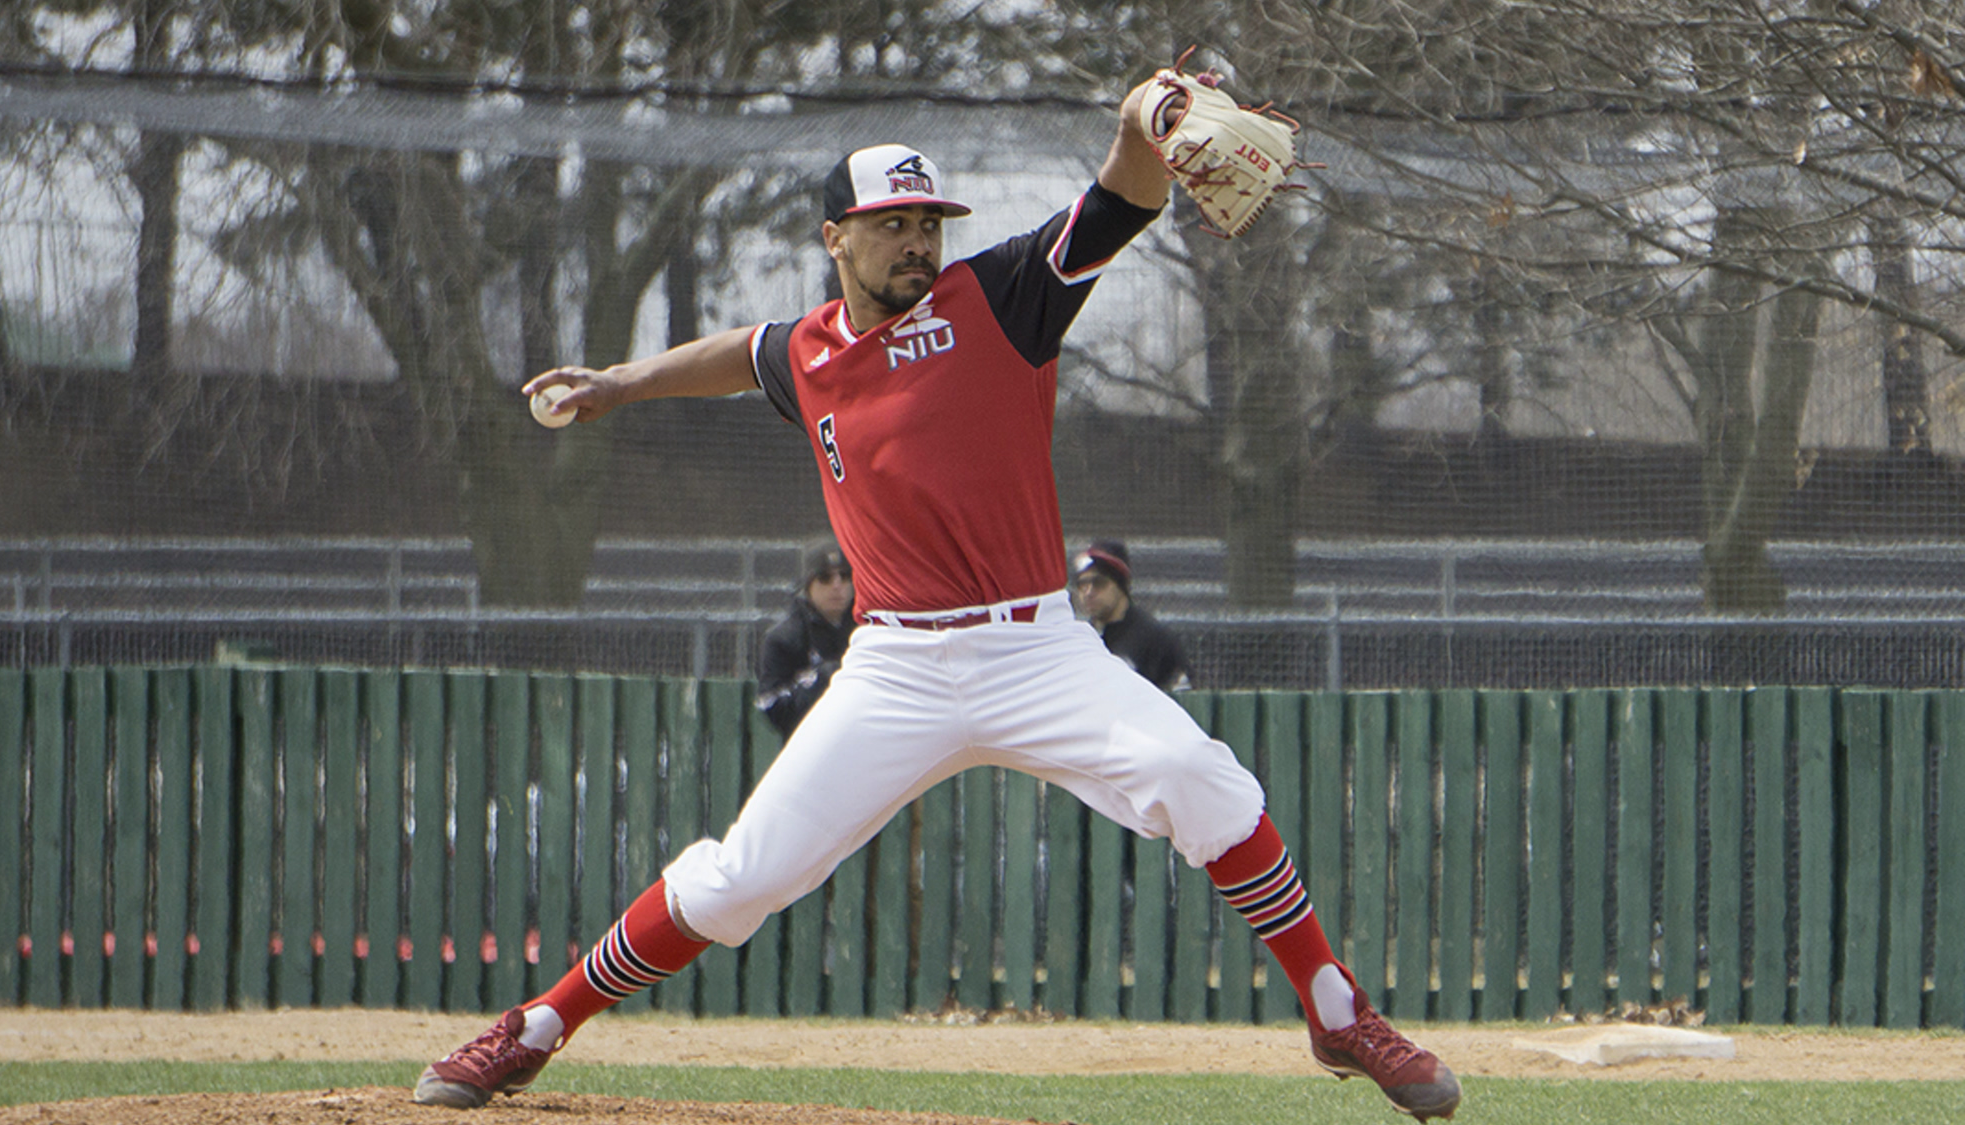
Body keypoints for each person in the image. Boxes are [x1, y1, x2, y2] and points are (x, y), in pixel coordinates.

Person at [415, 73, 1461, 1123]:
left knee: (1194, 773)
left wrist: (1139, 123)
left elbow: (1119, 201)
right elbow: (742, 354)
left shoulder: (1002, 296)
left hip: (1032, 649)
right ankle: (535, 1027)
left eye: (928, 223)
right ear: (837, 238)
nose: (918, 244)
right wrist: (621, 383)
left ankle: (1334, 1010)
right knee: (738, 879)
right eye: (892, 226)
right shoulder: (810, 352)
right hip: (895, 668)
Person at [756, 540, 857, 738]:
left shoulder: (868, 630)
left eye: (844, 576)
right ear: (808, 584)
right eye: (825, 578)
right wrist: (821, 679)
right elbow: (772, 706)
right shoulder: (785, 638)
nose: (837, 586)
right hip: (811, 744)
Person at [1072, 538, 1190, 691]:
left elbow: (1183, 698)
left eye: (1099, 583)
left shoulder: (1156, 639)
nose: (1088, 592)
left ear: (1121, 586)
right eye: (1082, 584)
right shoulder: (1083, 639)